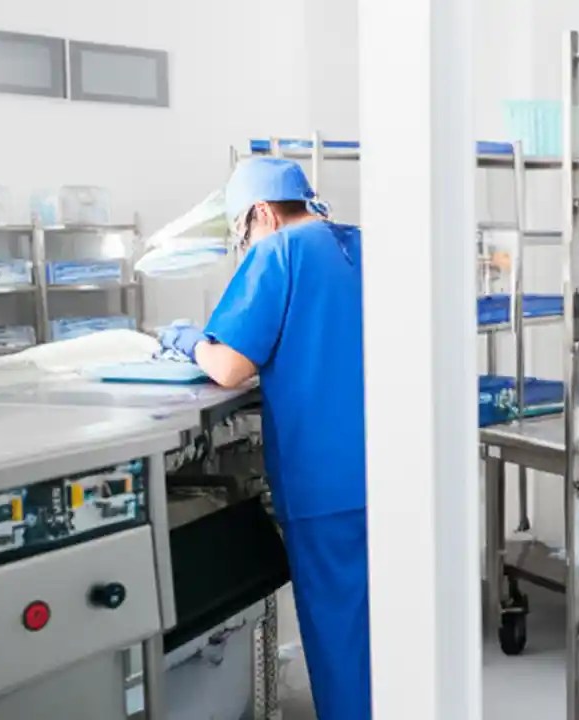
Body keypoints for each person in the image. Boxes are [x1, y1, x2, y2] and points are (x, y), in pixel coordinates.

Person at [158, 158, 369, 719]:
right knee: (396, 629)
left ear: (262, 214)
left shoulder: (279, 253)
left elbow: (229, 366)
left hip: (325, 483)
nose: (245, 246)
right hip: (393, 472)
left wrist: (186, 342)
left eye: (241, 235)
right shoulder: (364, 246)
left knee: (342, 637)